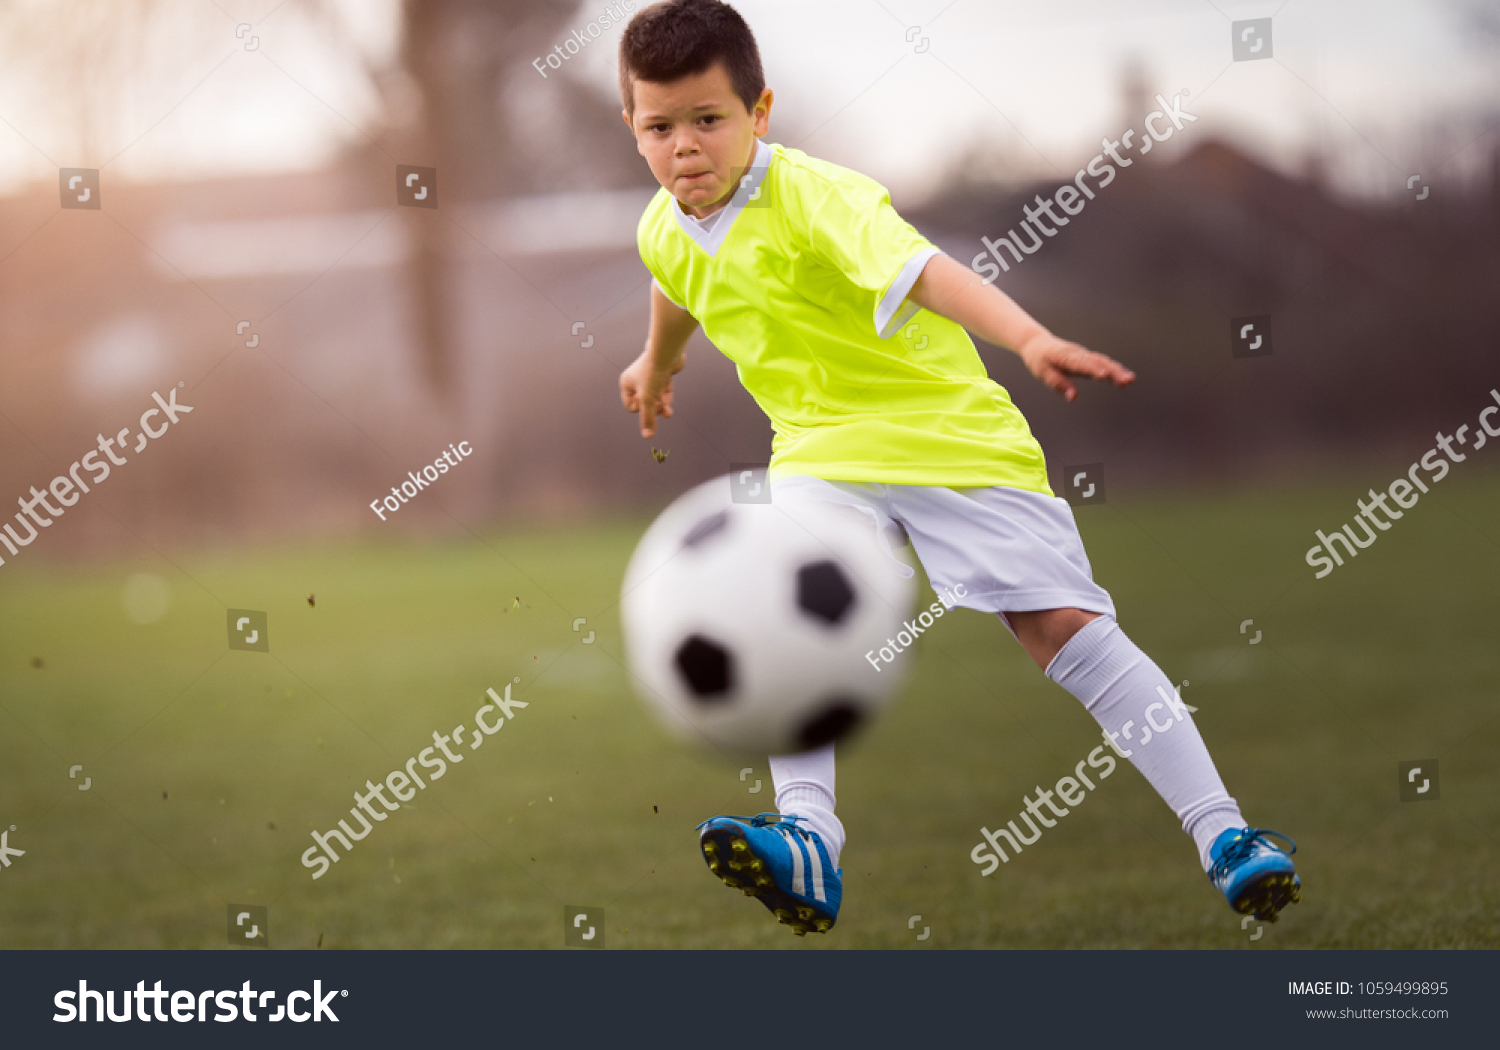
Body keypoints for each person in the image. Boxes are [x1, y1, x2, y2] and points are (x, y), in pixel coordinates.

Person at [616, 0, 1299, 937]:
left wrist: (1028, 335)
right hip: (820, 453)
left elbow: (930, 271)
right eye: (661, 126)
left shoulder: (819, 197)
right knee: (771, 604)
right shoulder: (660, 224)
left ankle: (1226, 836)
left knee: (1061, 628)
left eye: (708, 120)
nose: (684, 146)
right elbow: (677, 275)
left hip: (950, 432)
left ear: (759, 112)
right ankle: (810, 838)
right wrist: (658, 362)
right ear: (633, 127)